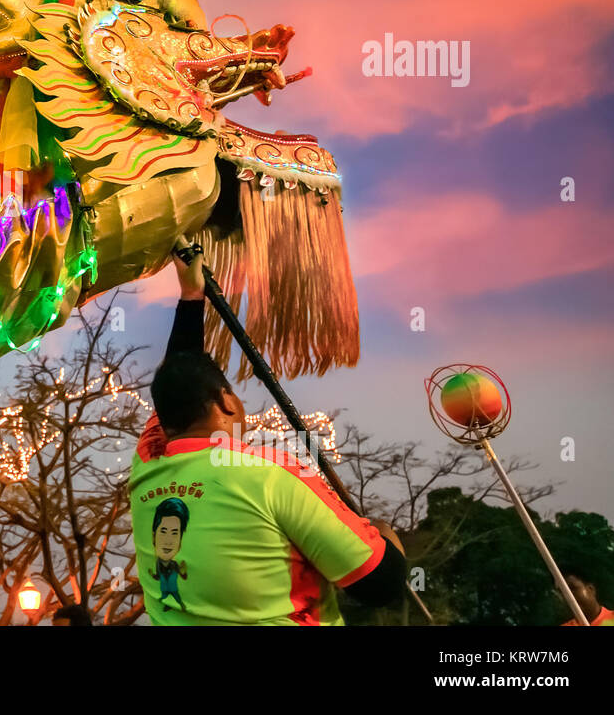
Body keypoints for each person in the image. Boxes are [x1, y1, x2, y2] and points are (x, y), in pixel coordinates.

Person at [128, 253, 407, 625]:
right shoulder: (271, 475)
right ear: (228, 402)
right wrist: (384, 534)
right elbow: (379, 585)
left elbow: (180, 377)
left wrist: (192, 298)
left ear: (164, 419)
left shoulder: (147, 464)